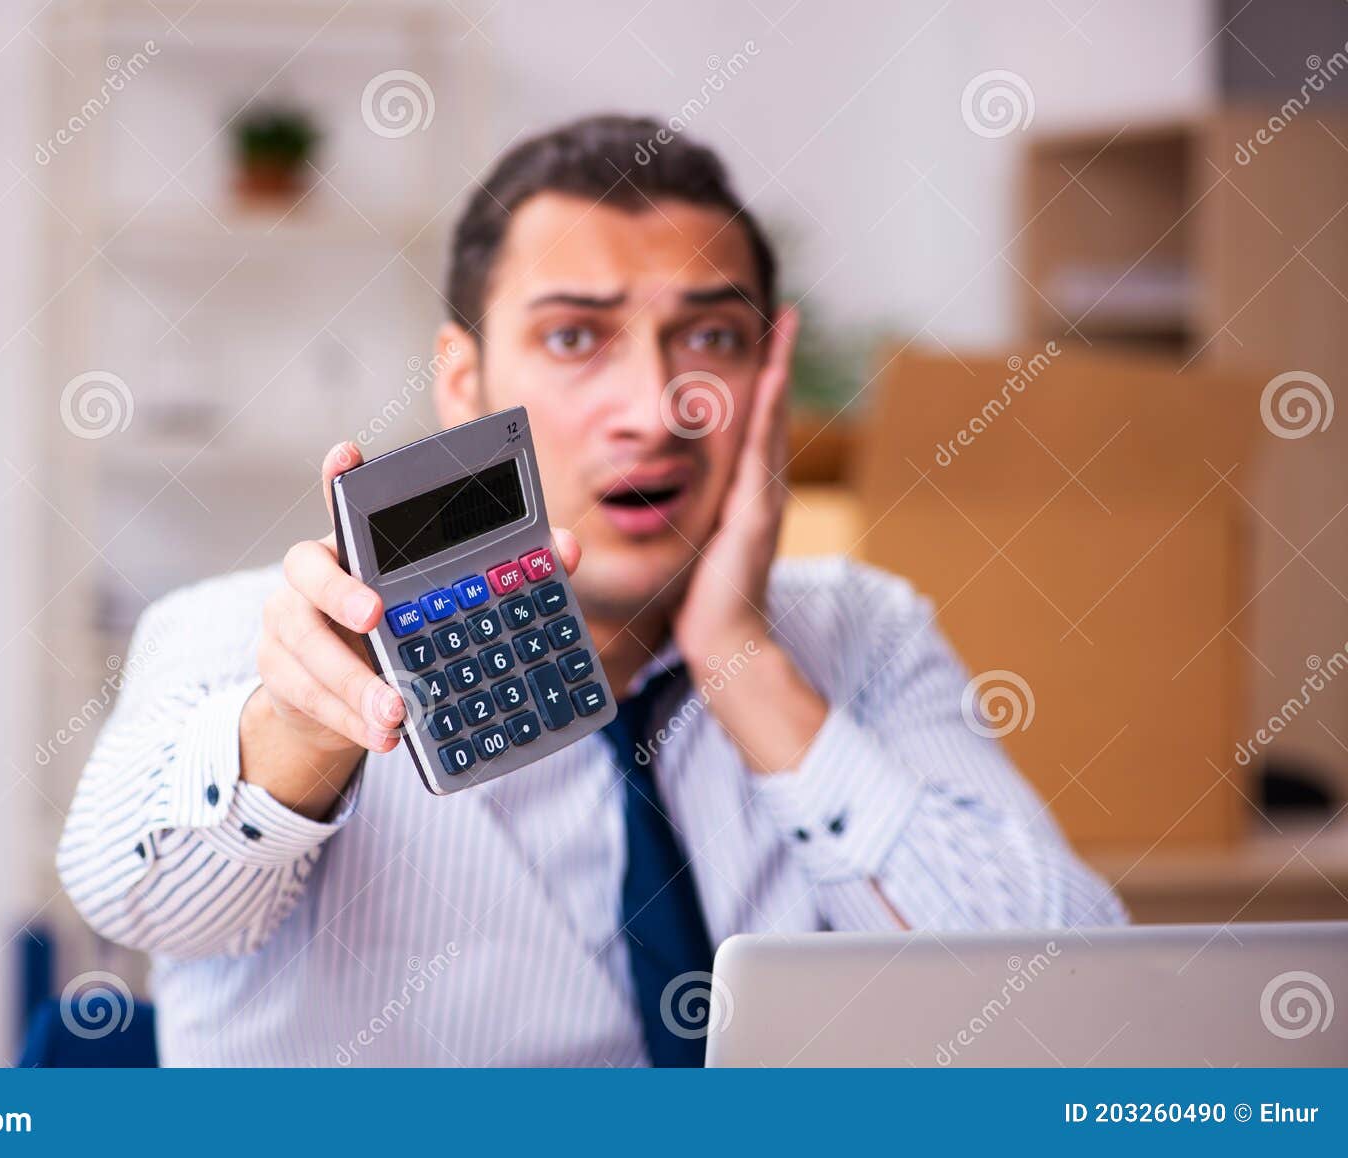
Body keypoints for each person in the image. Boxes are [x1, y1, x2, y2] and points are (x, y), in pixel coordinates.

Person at [58, 114, 1125, 1067]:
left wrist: (742, 662)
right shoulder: (262, 635)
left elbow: (1073, 1015)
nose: (655, 409)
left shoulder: (861, 628)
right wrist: (296, 733)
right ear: (464, 381)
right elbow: (128, 896)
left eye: (710, 338)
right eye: (574, 338)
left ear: (767, 373)